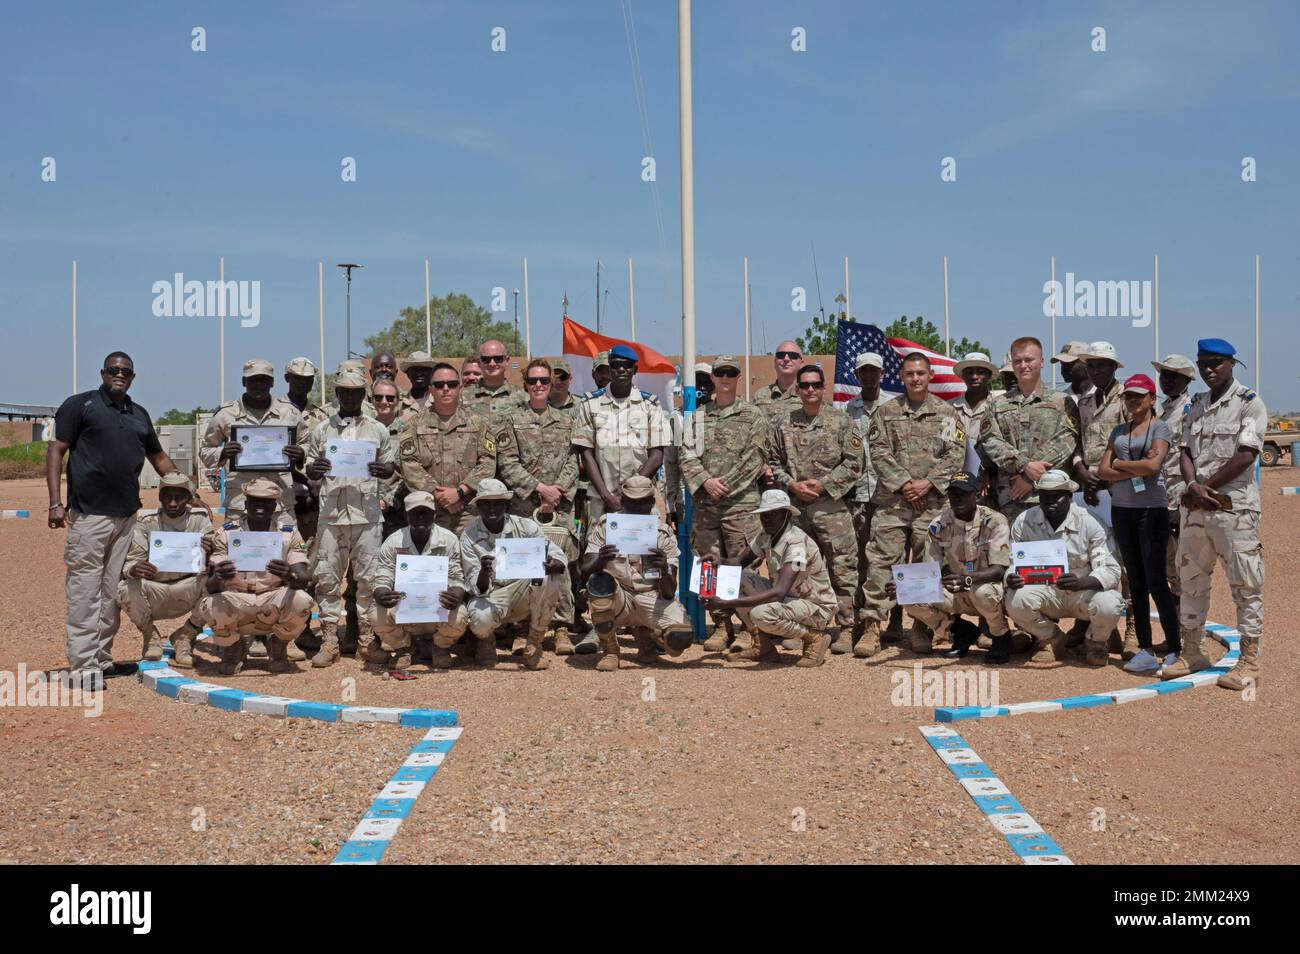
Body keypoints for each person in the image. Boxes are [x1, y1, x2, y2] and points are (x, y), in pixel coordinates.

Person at [48, 352, 177, 688]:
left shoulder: (138, 414)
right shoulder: (80, 406)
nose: (119, 375)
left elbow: (158, 456)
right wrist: (54, 503)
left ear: (133, 377)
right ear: (102, 373)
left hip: (125, 517)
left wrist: (186, 489)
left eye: (126, 371)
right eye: (113, 370)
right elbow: (57, 449)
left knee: (110, 593)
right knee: (84, 592)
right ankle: (82, 668)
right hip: (89, 515)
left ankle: (102, 661)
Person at [1167, 339, 1266, 689]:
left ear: (1231, 364)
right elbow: (1184, 450)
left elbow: (1246, 454)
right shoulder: (1196, 405)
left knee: (1245, 586)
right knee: (1191, 581)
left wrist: (1205, 486)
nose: (1209, 369)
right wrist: (1193, 485)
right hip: (1195, 509)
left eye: (1216, 363)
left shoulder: (1249, 404)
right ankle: (1192, 651)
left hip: (1233, 511)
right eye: (1203, 363)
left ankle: (1249, 662)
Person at [860, 352, 966, 655]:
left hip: (931, 505)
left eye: (921, 373)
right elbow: (879, 452)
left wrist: (928, 483)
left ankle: (922, 627)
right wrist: (906, 485)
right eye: (909, 374)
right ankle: (872, 626)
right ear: (901, 377)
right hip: (893, 503)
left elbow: (954, 454)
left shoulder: (947, 414)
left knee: (926, 565)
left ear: (930, 375)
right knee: (881, 564)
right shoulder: (886, 412)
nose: (916, 379)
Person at [304, 369, 398, 667]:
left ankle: (367, 641)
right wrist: (313, 470)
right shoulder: (322, 430)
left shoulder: (377, 430)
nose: (349, 396)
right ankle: (330, 639)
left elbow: (390, 467)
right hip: (331, 514)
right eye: (343, 391)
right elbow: (308, 465)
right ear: (337, 393)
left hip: (367, 515)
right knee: (327, 577)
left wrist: (385, 471)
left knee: (368, 579)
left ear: (363, 395)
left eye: (355, 391)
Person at [678, 355, 770, 653]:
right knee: (709, 566)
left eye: (731, 372)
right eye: (720, 372)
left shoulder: (752, 416)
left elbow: (755, 457)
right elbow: (686, 455)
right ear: (714, 377)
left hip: (741, 505)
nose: (725, 377)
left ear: (738, 376)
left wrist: (724, 485)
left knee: (745, 564)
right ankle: (720, 624)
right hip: (706, 506)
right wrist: (706, 481)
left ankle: (748, 627)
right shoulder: (699, 418)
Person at [769, 363, 863, 648]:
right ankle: (804, 628)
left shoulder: (841, 422)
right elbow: (774, 463)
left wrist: (824, 484)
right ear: (796, 389)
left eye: (815, 385)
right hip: (797, 508)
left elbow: (855, 462)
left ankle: (847, 626)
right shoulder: (783, 424)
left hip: (831, 507)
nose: (810, 390)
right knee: (799, 567)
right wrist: (792, 485)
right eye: (805, 385)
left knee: (843, 566)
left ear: (823, 387)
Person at [497, 359, 581, 654]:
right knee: (524, 567)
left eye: (544, 380)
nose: (538, 386)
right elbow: (506, 462)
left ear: (552, 382)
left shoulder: (567, 421)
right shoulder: (511, 420)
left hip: (557, 507)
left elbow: (575, 460)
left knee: (561, 567)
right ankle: (523, 628)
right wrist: (539, 488)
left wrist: (556, 492)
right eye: (533, 381)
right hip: (524, 506)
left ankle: (560, 629)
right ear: (525, 384)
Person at [1097, 374, 1179, 674]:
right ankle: (1144, 648)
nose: (1133, 401)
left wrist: (1120, 465)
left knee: (1157, 580)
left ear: (1152, 399)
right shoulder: (1119, 430)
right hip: (1122, 510)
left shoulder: (1160, 428)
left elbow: (1154, 466)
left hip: (1151, 511)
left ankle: (1174, 648)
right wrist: (1131, 467)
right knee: (1136, 580)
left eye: (1140, 397)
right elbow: (1103, 470)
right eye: (1129, 396)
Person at [1004, 470, 1124, 668]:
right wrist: (1011, 577)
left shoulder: (1091, 523)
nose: (1050, 500)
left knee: (1110, 603)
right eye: (1044, 496)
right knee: (1015, 600)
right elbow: (1012, 564)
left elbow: (1110, 570)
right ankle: (1051, 638)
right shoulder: (1024, 521)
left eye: (1056, 496)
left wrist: (1081, 583)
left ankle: (1095, 643)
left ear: (1069, 497)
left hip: (1082, 593)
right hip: (1045, 592)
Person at [703, 489, 836, 667]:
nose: (766, 519)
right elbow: (740, 562)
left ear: (786, 515)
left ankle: (814, 638)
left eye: (772, 514)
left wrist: (726, 603)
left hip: (815, 605)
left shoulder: (796, 544)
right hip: (790, 598)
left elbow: (778, 594)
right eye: (764, 514)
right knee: (738, 578)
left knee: (761, 613)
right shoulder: (767, 535)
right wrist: (720, 562)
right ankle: (763, 647)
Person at [199, 477, 314, 674]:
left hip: (272, 597)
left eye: (266, 502)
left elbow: (303, 578)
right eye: (255, 501)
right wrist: (219, 576)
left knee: (302, 600)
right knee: (210, 604)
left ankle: (278, 645)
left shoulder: (288, 534)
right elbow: (211, 587)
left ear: (275, 506)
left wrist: (289, 574)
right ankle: (233, 648)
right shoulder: (228, 534)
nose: (260, 506)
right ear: (245, 504)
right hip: (238, 597)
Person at [580, 476, 692, 670]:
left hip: (650, 596)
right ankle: (611, 651)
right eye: (632, 503)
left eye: (643, 503)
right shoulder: (607, 527)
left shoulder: (663, 534)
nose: (638, 509)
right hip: (619, 596)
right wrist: (600, 559)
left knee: (680, 638)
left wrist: (664, 569)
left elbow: (668, 592)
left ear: (651, 503)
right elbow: (585, 570)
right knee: (599, 582)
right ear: (623, 502)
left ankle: (649, 636)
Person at [902, 472, 1013, 663]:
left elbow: (1000, 569)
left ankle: (1001, 638)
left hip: (991, 590)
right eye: (953, 494)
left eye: (963, 493)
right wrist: (903, 585)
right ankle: (960, 633)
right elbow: (931, 569)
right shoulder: (939, 524)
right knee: (910, 596)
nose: (957, 498)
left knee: (982, 592)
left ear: (976, 495)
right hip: (956, 590)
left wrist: (967, 580)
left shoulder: (995, 521)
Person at [459, 479, 568, 670]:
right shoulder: (469, 535)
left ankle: (534, 642)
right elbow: (475, 586)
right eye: (486, 503)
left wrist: (554, 564)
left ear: (507, 505)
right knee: (479, 619)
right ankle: (486, 641)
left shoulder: (526, 527)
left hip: (523, 590)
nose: (492, 508)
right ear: (478, 506)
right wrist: (484, 572)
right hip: (492, 593)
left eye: (498, 503)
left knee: (550, 577)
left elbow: (556, 554)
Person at [978, 336, 1079, 529]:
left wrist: (1029, 477)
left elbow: (1066, 441)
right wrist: (1024, 465)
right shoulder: (997, 405)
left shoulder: (1062, 402)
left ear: (1041, 362)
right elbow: (991, 440)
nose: (1023, 365)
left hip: (1052, 496)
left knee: (1055, 554)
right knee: (1016, 556)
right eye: (1017, 361)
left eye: (1029, 360)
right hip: (1012, 498)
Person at [118, 473, 214, 668]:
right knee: (124, 588)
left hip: (188, 587)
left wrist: (210, 554)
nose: (172, 503)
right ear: (159, 498)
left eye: (179, 498)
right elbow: (131, 562)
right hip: (155, 588)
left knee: (218, 582)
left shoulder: (200, 520)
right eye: (167, 497)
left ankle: (185, 636)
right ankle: (150, 636)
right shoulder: (146, 522)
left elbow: (217, 560)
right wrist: (135, 569)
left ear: (189, 499)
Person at [370, 491, 470, 671]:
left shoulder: (448, 540)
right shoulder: (393, 542)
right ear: (407, 515)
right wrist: (382, 592)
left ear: (434, 514)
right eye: (416, 513)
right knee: (376, 614)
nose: (421, 517)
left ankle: (440, 648)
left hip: (438, 609)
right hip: (406, 610)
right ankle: (405, 649)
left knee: (460, 614)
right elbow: (382, 576)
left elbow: (457, 577)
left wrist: (456, 593)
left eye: (426, 512)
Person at [572, 344, 672, 524]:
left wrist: (629, 490)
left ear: (635, 370)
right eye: (616, 365)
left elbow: (657, 455)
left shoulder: (650, 404)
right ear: (609, 369)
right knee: (600, 550)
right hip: (601, 501)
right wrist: (606, 495)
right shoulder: (590, 404)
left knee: (642, 551)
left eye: (626, 365)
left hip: (640, 499)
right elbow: (586, 454)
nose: (621, 369)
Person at [396, 362, 498, 534]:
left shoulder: (478, 423)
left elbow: (488, 462)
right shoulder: (413, 425)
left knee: (471, 559)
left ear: (459, 387)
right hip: (429, 510)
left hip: (469, 511)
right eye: (439, 385)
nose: (445, 389)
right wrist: (439, 494)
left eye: (451, 384)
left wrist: (459, 492)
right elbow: (408, 465)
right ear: (430, 389)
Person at [200, 358, 304, 525]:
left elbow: (306, 444)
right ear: (243, 381)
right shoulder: (226, 414)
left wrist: (301, 454)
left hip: (280, 501)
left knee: (284, 547)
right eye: (253, 380)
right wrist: (223, 452)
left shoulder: (289, 412)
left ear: (272, 382)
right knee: (240, 548)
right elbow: (205, 450)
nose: (259, 385)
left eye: (264, 380)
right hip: (240, 502)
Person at [844, 351, 893, 654]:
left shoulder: (893, 405)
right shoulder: (849, 408)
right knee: (862, 559)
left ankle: (896, 619)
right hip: (859, 493)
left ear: (882, 374)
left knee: (890, 560)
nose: (869, 376)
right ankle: (863, 621)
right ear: (857, 374)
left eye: (874, 371)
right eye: (864, 371)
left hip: (888, 493)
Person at [1152, 354, 1197, 618]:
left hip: (1179, 500)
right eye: (1163, 374)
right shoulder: (1164, 409)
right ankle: (1177, 633)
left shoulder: (1189, 410)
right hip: (1161, 499)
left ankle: (1188, 634)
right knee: (1170, 568)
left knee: (1184, 568)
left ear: (1187, 380)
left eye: (1173, 376)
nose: (1166, 380)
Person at [952, 352, 999, 504]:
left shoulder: (1001, 407)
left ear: (989, 375)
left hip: (993, 486)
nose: (974, 376)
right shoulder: (949, 408)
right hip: (957, 486)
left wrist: (990, 471)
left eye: (980, 372)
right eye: (969, 372)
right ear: (963, 376)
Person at [462, 339, 521, 420]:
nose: (492, 363)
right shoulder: (464, 396)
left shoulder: (522, 396)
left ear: (507, 361)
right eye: (486, 359)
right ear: (480, 363)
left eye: (498, 358)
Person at [752, 340, 804, 424]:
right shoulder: (760, 396)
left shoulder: (809, 394)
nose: (786, 359)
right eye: (781, 355)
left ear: (801, 363)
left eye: (792, 355)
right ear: (775, 362)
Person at [396, 351, 436, 420]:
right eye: (414, 369)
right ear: (408, 373)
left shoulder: (440, 401)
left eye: (423, 369)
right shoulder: (398, 405)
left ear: (431, 372)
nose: (419, 373)